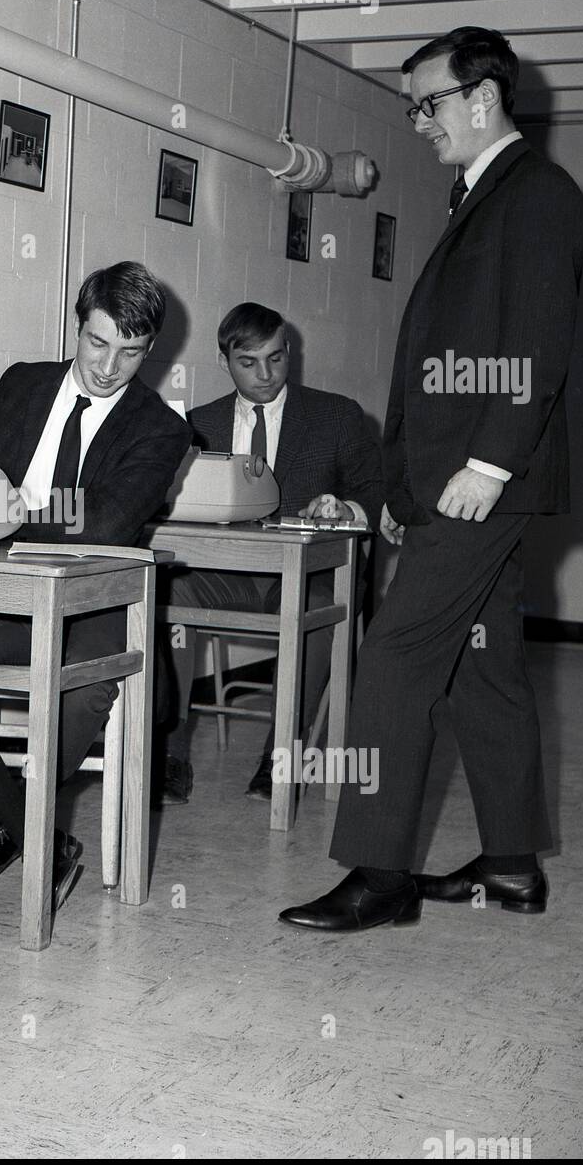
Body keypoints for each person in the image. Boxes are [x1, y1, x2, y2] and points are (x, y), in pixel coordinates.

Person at [280, 27, 583, 932]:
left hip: (482, 477)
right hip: (452, 478)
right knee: (482, 671)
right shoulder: (484, 197)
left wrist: (487, 465)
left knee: (394, 658)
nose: (417, 121)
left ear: (481, 97)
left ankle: (378, 877)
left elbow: (535, 343)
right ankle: (510, 865)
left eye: (427, 102)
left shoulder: (534, 196)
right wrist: (400, 486)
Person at [0, 262, 191, 910]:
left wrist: (13, 508)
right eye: (97, 343)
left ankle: (7, 829)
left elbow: (105, 522)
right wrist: (6, 508)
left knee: (83, 689)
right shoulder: (21, 385)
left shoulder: (160, 427)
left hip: (95, 600)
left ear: (150, 350)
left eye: (130, 352)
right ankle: (34, 830)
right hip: (5, 594)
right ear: (76, 327)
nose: (108, 367)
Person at [159, 302, 383, 803]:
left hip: (309, 577)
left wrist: (344, 508)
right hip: (232, 577)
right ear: (224, 361)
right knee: (161, 595)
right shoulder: (197, 424)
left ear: (290, 353)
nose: (266, 375)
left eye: (277, 359)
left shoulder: (337, 416)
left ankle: (280, 756)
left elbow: (378, 493)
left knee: (317, 612)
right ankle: (169, 752)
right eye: (249, 363)